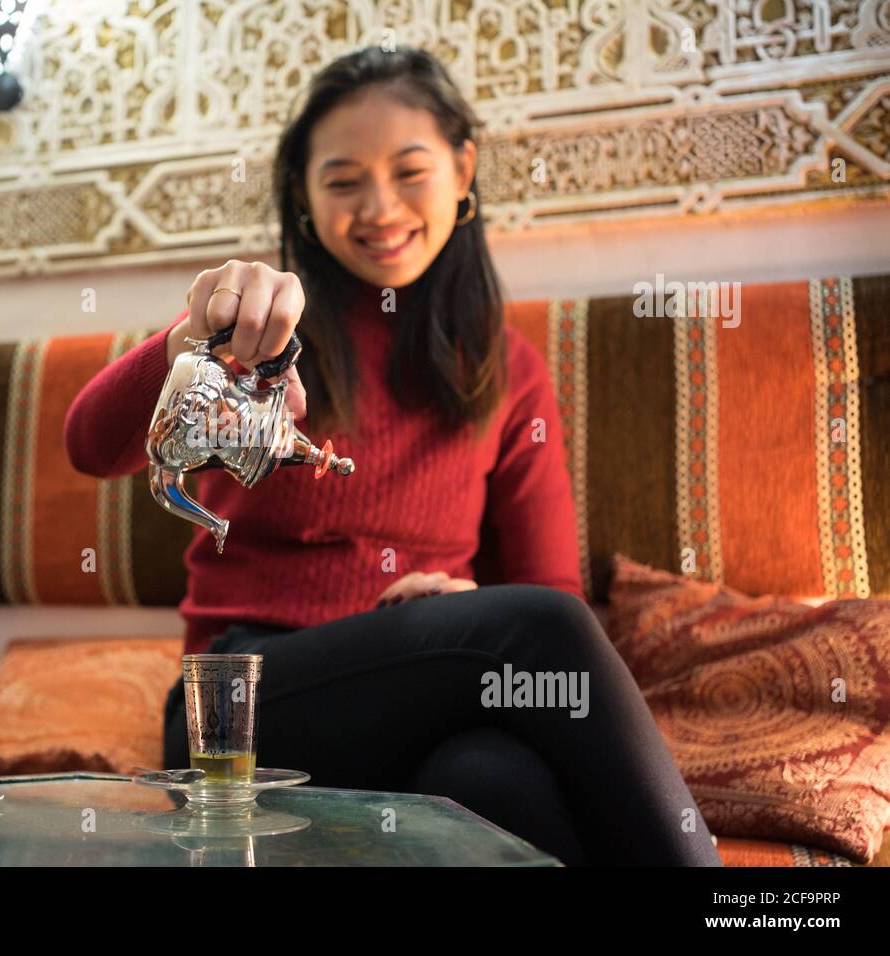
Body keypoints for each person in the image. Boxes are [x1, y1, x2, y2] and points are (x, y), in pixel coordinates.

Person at [64, 45, 722, 866]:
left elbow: (547, 590)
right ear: (303, 201)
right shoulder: (259, 340)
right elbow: (90, 446)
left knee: (494, 781)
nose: (379, 207)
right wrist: (188, 341)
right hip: (246, 704)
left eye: (409, 171)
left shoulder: (508, 370)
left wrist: (461, 600)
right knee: (539, 632)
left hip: (424, 704)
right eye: (342, 181)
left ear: (462, 169)